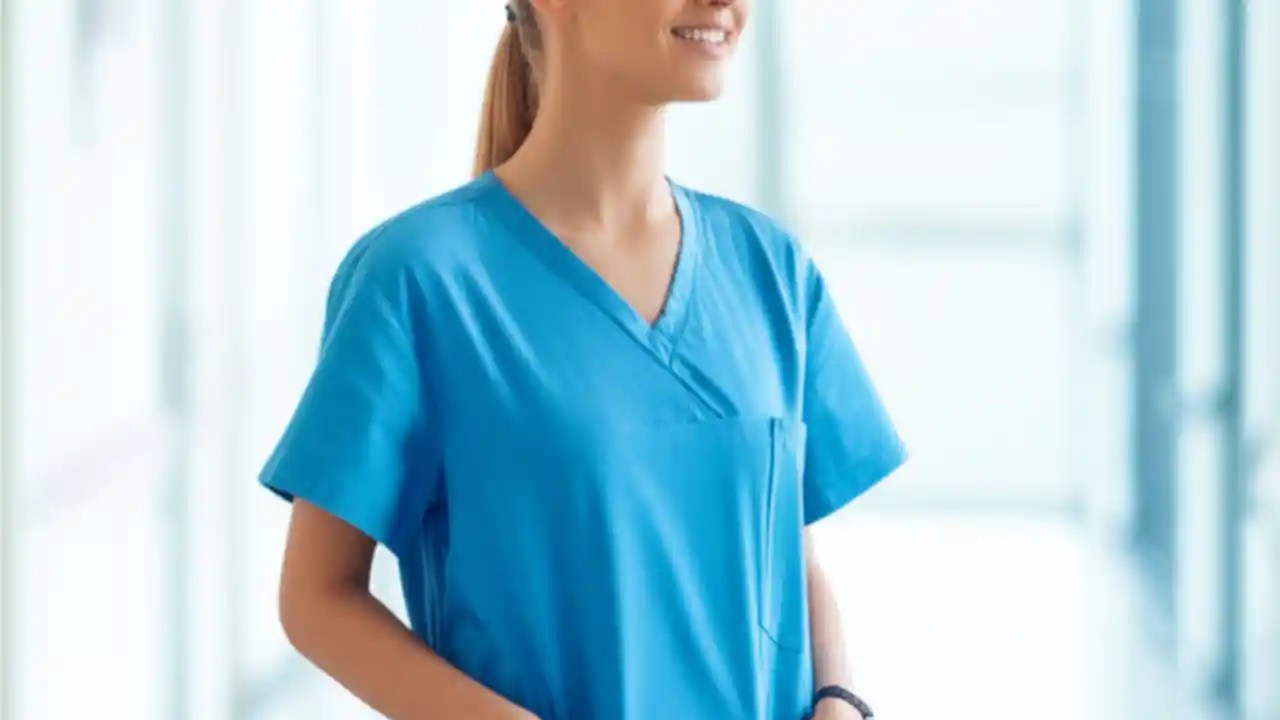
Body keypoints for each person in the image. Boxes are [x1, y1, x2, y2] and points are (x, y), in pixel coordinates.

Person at [257, 0, 908, 718]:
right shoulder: (421, 278)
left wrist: (840, 701)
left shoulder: (770, 269)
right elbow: (317, 599)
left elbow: (791, 555)